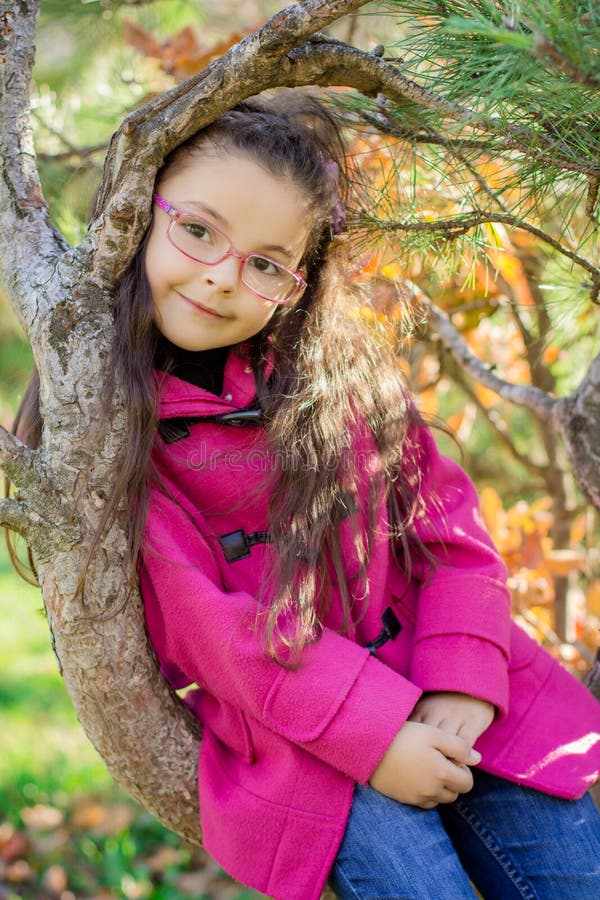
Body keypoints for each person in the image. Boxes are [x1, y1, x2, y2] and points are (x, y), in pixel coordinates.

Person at [11, 92, 600, 899]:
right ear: (138, 213)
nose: (222, 278)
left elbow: (452, 533)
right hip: (306, 736)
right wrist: (377, 730)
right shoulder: (109, 430)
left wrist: (464, 675)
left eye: (265, 262)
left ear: (301, 277)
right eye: (197, 230)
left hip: (446, 678)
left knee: (571, 875)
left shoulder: (337, 378)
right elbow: (210, 625)